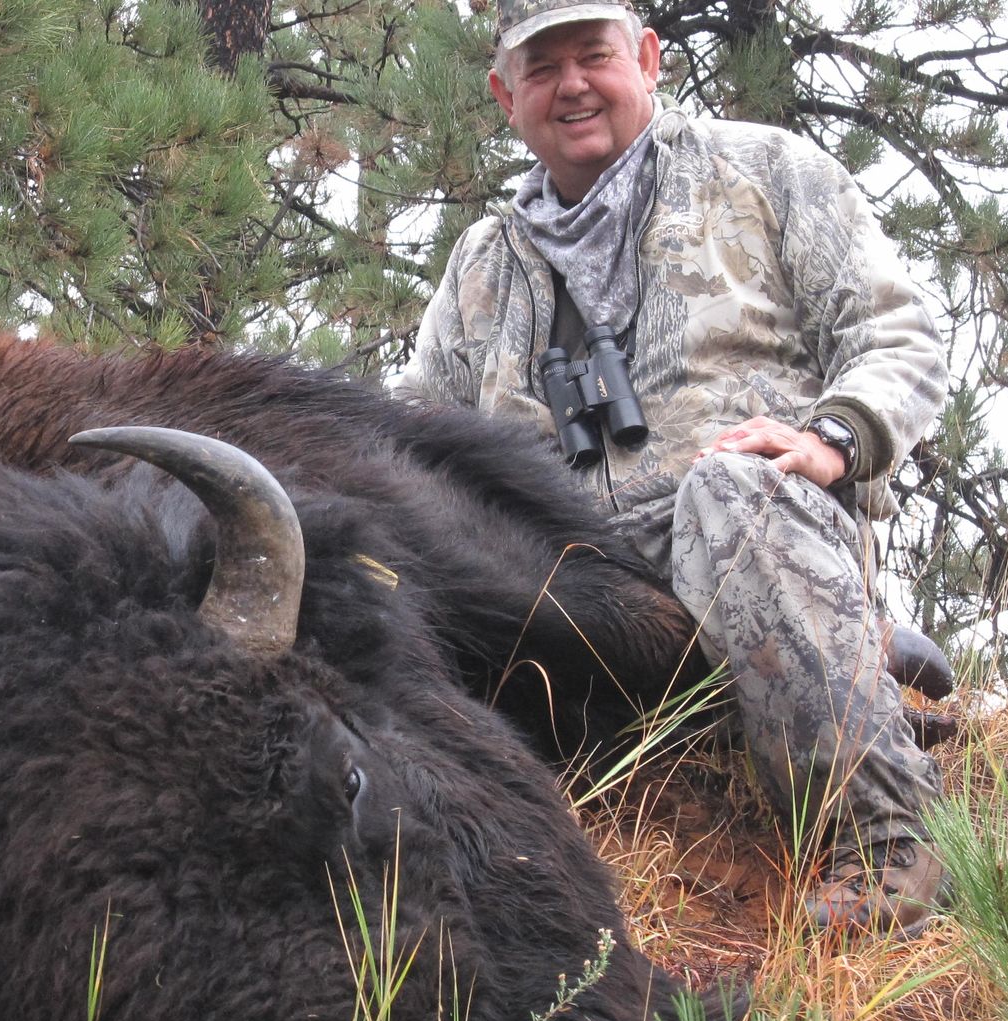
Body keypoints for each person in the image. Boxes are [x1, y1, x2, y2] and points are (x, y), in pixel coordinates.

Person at [401, 0, 952, 935]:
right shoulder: (483, 265)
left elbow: (897, 335)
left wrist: (834, 438)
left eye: (593, 55)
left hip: (753, 532)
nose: (571, 84)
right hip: (575, 605)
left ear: (648, 58)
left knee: (728, 488)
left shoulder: (766, 170)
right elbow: (410, 437)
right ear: (505, 94)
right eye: (541, 68)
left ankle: (893, 837)